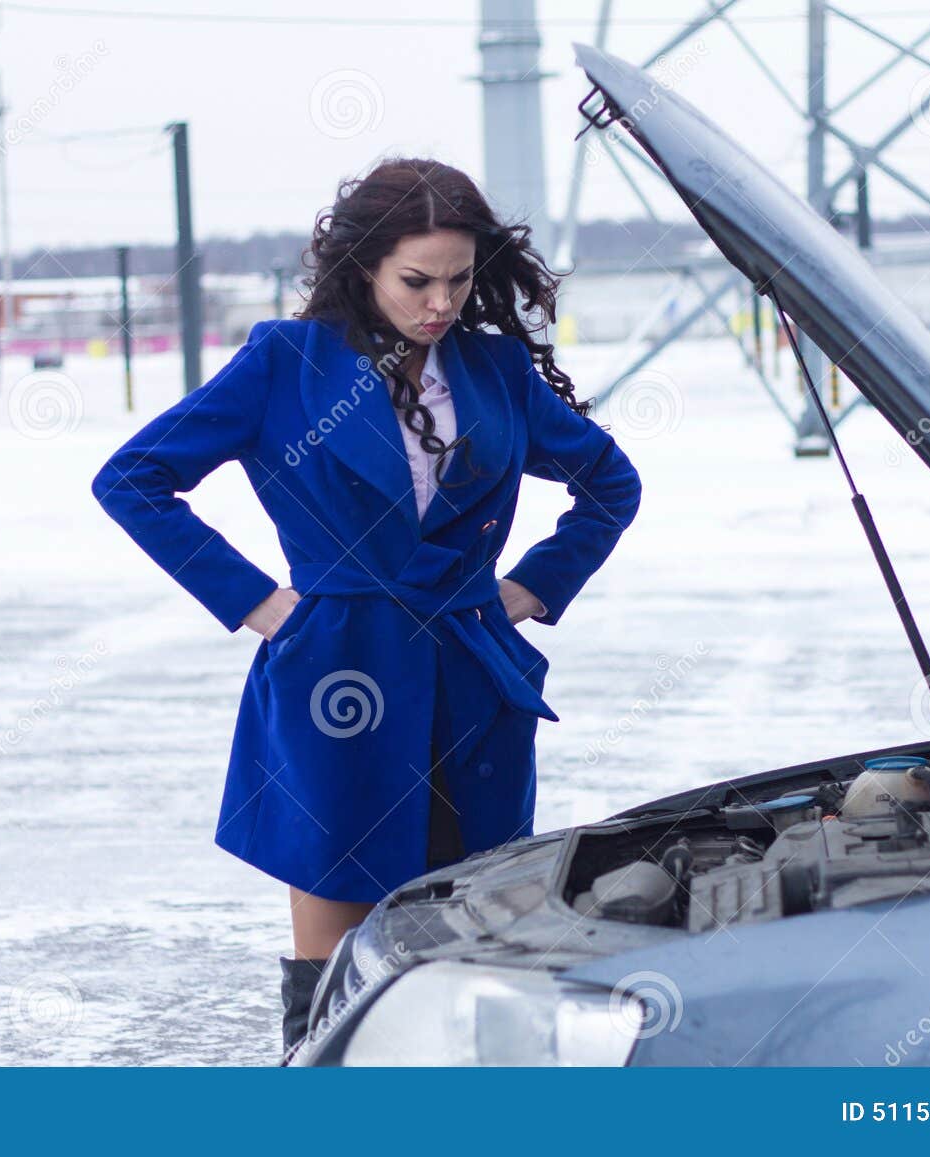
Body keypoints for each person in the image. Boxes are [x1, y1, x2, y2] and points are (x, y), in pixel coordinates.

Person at [91, 156, 642, 1063]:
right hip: (335, 676)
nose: (441, 304)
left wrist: (532, 587)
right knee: (334, 960)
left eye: (459, 280)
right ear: (364, 267)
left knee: (477, 939)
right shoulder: (286, 364)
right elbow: (133, 479)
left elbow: (611, 483)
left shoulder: (495, 369)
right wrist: (257, 602)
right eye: (417, 281)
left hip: (472, 679)